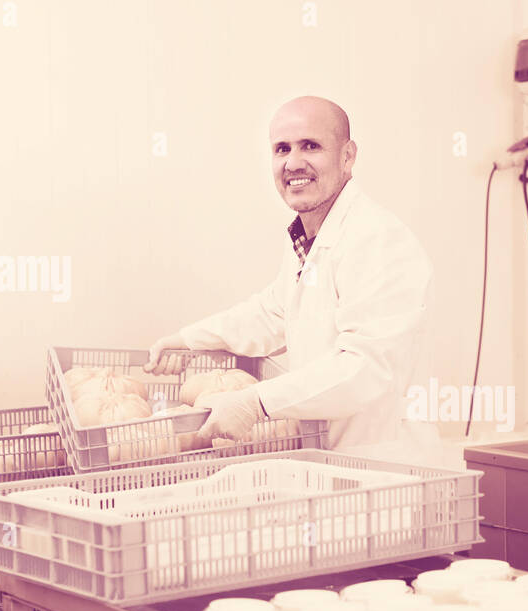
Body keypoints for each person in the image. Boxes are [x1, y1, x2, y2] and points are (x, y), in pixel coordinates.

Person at [146, 96, 436, 463]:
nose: (293, 163)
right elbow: (274, 312)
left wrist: (258, 401)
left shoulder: (378, 240)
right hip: (330, 463)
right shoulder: (309, 239)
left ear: (348, 156)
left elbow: (364, 368)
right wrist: (187, 338)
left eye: (310, 146)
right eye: (282, 149)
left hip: (386, 468)